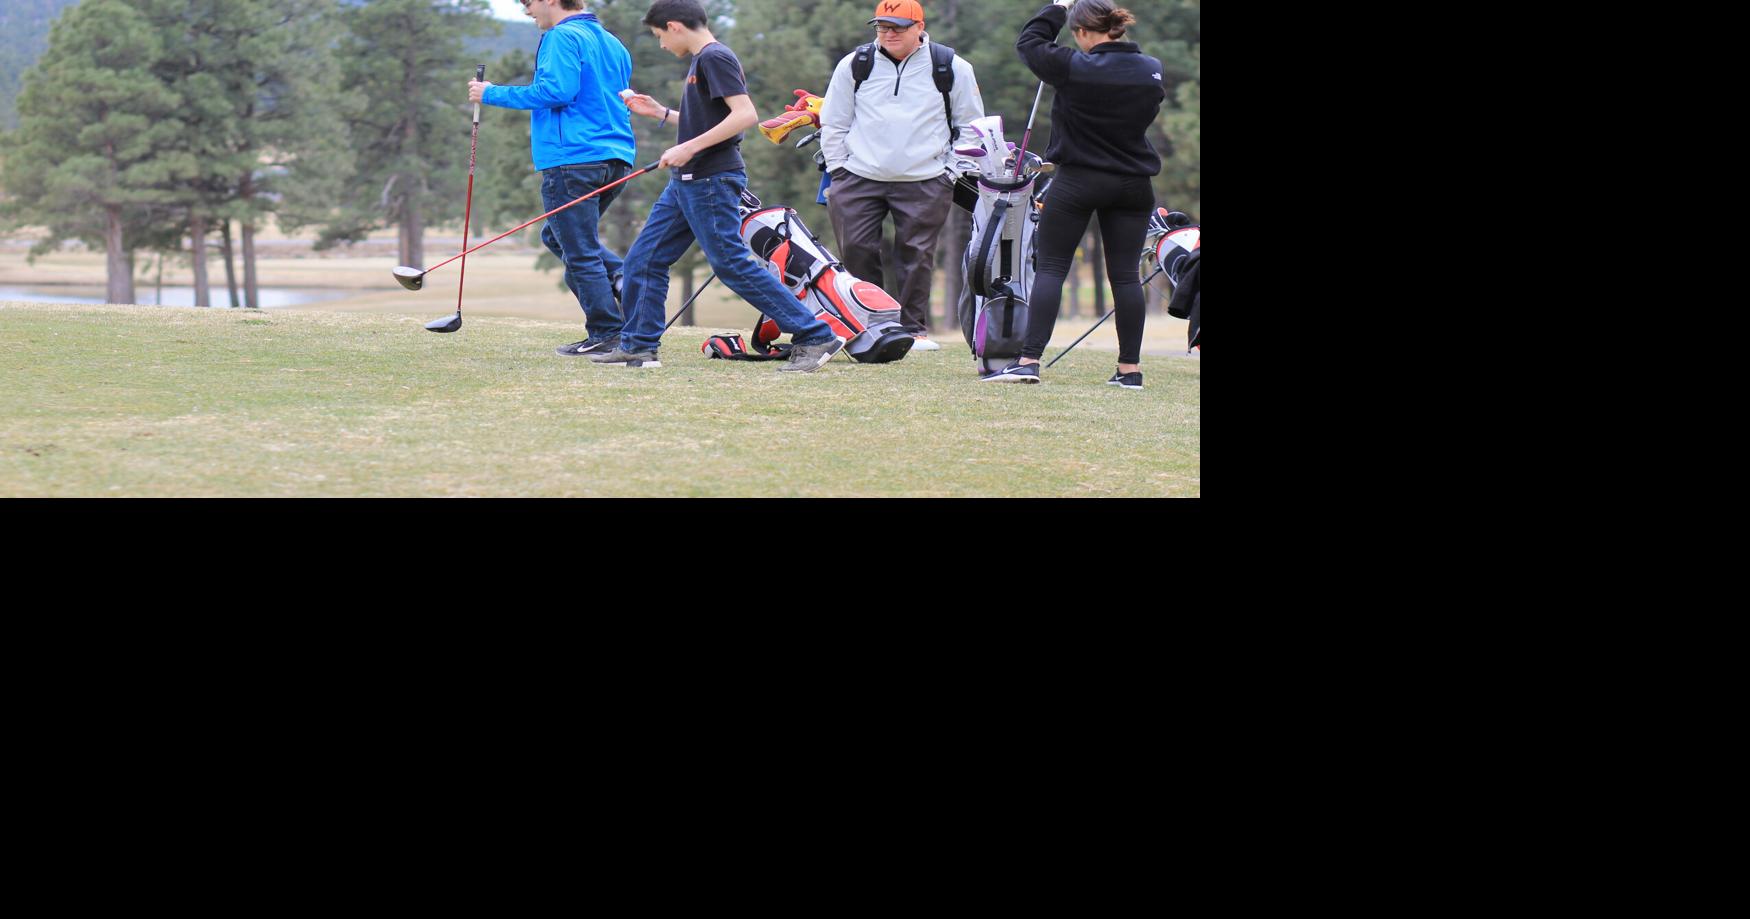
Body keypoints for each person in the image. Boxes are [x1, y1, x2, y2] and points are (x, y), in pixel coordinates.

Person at [593, 0, 844, 372]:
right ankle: (638, 347)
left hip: (710, 179)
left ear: (675, 26)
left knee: (730, 263)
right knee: (644, 260)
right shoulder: (702, 62)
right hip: (686, 180)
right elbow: (710, 120)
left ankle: (815, 336)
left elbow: (745, 115)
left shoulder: (714, 57)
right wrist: (661, 113)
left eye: (659, 35)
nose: (661, 44)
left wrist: (687, 147)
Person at [982, 0, 1164, 387]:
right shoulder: (1151, 69)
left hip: (1079, 180)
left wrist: (1057, 8)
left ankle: (1028, 361)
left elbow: (1030, 43)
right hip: (1134, 184)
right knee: (1126, 277)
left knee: (1051, 268)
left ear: (1081, 32)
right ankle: (1130, 371)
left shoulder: (1073, 66)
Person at [469, 0, 635, 357]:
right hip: (615, 159)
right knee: (558, 236)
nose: (527, 11)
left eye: (528, 3)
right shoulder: (612, 41)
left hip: (572, 158)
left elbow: (556, 92)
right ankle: (623, 279)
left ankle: (607, 332)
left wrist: (490, 93)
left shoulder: (561, 36)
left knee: (579, 250)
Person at [818, 0, 984, 352]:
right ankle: (867, 325)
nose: (888, 34)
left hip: (926, 177)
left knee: (916, 254)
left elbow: (970, 125)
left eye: (898, 27)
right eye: (882, 27)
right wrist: (839, 169)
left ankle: (912, 330)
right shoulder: (855, 64)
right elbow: (834, 121)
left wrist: (952, 172)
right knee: (856, 249)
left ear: (919, 28)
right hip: (858, 175)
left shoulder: (951, 66)